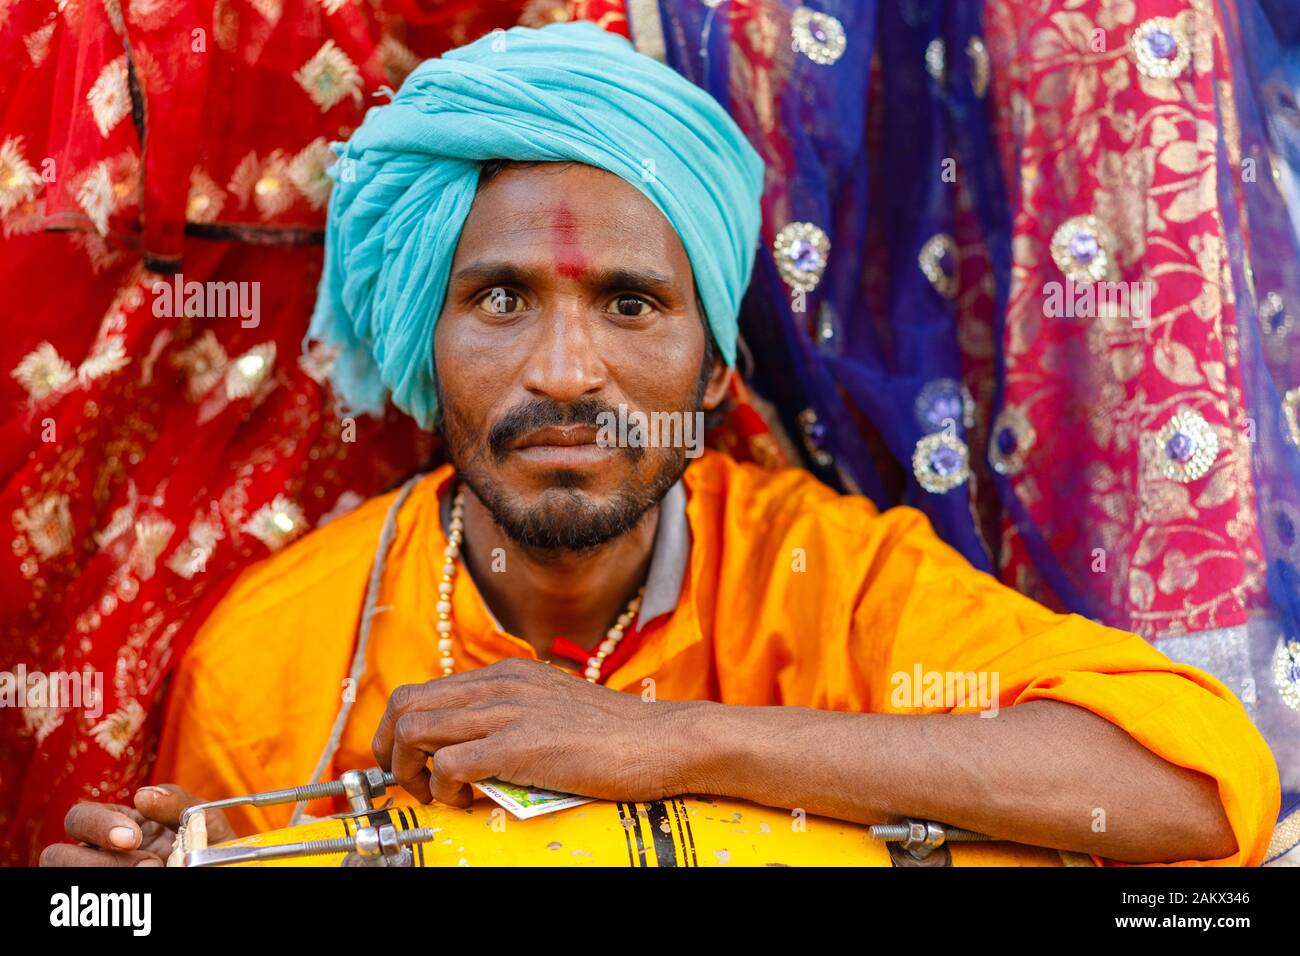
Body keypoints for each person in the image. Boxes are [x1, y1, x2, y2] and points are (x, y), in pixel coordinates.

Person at [40, 22, 1279, 868]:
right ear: (426, 344)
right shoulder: (273, 656)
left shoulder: (825, 579)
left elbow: (1198, 784)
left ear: (712, 365)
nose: (566, 372)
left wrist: (677, 738)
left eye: (629, 305)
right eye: (501, 300)